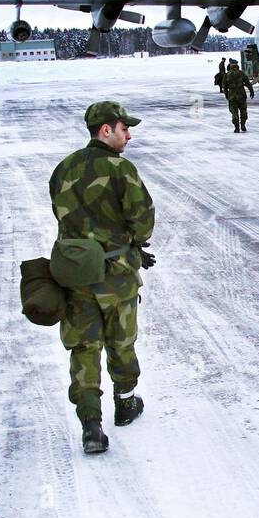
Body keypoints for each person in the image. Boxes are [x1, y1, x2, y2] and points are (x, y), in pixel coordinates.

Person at [49, 102, 156, 454]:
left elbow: (61, 215)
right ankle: (125, 404)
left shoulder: (63, 169)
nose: (129, 134)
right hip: (116, 274)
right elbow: (143, 219)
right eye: (124, 128)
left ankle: (91, 425)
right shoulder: (121, 169)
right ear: (105, 130)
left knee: (84, 346)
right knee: (121, 341)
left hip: (75, 273)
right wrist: (134, 244)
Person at [223, 58, 254, 133]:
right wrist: (251, 91)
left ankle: (237, 128)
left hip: (232, 97)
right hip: (241, 96)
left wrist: (227, 95)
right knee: (243, 111)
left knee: (234, 113)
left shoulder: (227, 75)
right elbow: (247, 83)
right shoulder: (241, 73)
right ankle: (243, 125)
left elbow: (225, 87)